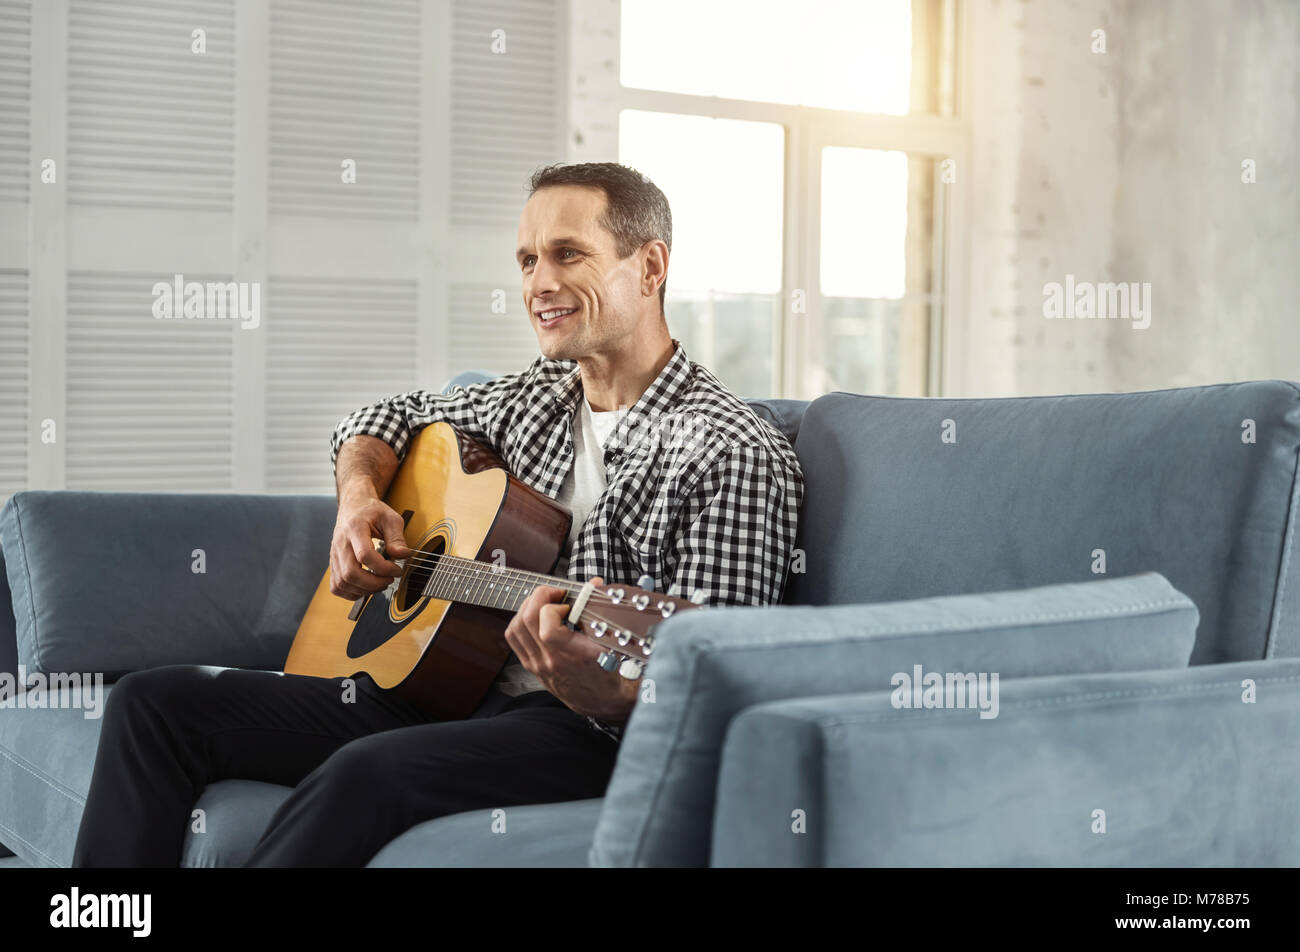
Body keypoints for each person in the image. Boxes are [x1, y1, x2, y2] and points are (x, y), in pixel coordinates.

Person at [72, 161, 804, 867]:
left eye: (567, 254)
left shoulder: (729, 450)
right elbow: (382, 416)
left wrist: (610, 694)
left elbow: (713, 679)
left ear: (650, 268)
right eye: (525, 260)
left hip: (579, 728)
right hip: (446, 683)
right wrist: (359, 501)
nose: (538, 283)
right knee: (155, 702)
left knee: (366, 774)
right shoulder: (538, 397)